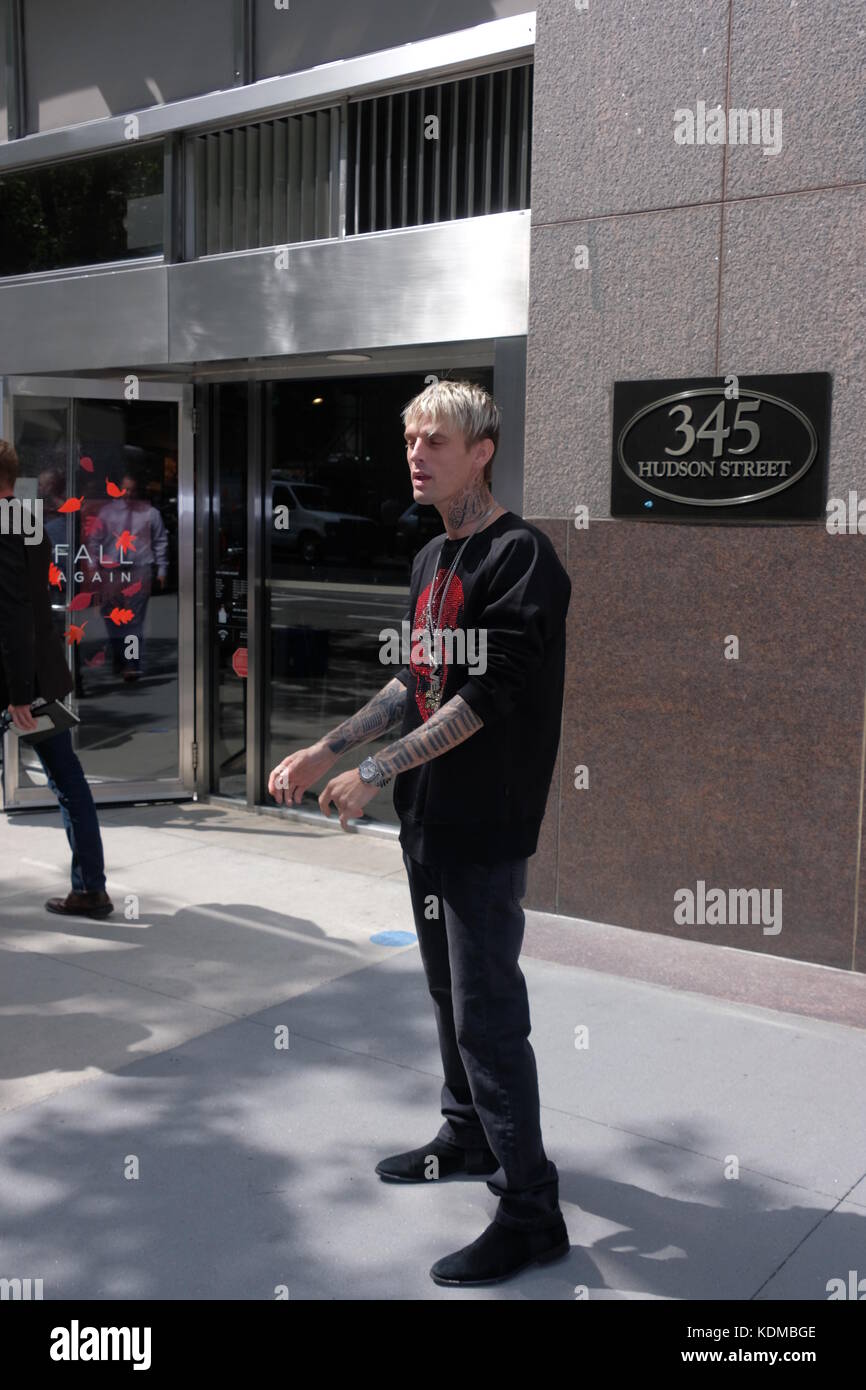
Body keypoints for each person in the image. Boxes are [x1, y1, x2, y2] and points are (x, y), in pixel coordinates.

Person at [267, 379, 572, 1287]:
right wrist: (329, 748)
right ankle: (468, 1135)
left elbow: (486, 697)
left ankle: (532, 1208)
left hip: (484, 824)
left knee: (488, 1016)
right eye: (408, 438)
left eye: (434, 439)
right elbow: (417, 683)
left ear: (482, 448)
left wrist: (375, 769)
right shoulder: (432, 556)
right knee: (447, 995)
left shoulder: (522, 557)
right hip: (427, 824)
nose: (415, 452)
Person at [0, 439, 113, 920]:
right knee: (68, 779)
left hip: (16, 682)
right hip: (37, 673)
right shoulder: (26, 522)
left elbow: (12, 610)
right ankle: (90, 890)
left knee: (67, 779)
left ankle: (91, 890)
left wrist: (19, 693)